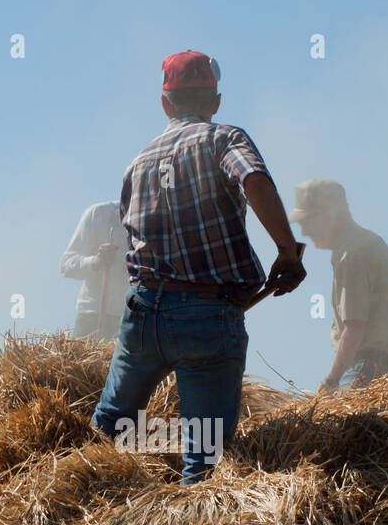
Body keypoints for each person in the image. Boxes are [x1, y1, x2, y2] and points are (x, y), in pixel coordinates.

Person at [91, 50, 306, 483]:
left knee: (110, 426)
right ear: (215, 101)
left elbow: (131, 231)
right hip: (208, 315)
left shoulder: (137, 162)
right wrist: (285, 249)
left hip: (143, 312)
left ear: (165, 104)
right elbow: (254, 179)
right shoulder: (223, 138)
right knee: (205, 455)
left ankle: (86, 505)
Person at [290, 179, 388, 392]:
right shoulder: (369, 241)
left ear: (328, 215)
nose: (304, 232)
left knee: (339, 425)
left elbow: (355, 327)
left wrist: (331, 381)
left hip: (366, 368)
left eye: (306, 221)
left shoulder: (350, 254)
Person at [60, 201, 129, 340]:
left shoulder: (155, 222)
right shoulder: (98, 214)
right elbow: (66, 264)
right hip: (93, 315)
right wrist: (95, 261)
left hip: (131, 319)